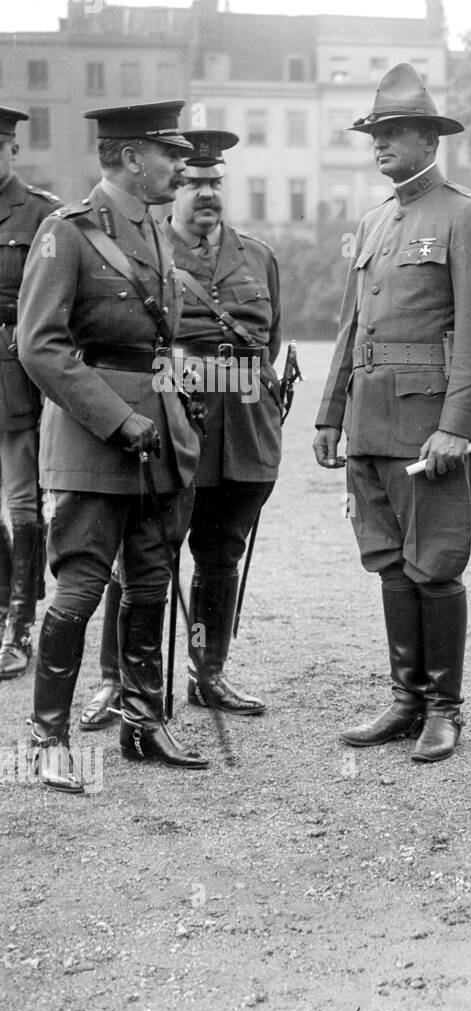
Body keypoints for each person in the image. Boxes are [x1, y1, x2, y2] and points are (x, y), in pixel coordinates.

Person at [313, 63, 471, 764]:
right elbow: (349, 327)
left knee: (435, 566)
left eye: (395, 131)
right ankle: (405, 700)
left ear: (430, 139)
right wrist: (329, 416)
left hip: (430, 428)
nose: (380, 143)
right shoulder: (371, 223)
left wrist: (458, 425)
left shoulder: (466, 215)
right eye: (375, 131)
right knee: (391, 564)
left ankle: (444, 708)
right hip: (369, 424)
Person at [18, 100, 207, 794]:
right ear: (132, 157)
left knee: (151, 579)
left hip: (158, 437)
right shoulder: (66, 231)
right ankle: (46, 742)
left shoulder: (156, 232)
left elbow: (160, 343)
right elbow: (40, 346)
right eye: (171, 154)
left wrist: (178, 411)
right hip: (95, 441)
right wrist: (114, 418)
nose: (183, 167)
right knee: (81, 587)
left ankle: (142, 721)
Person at [165, 129, 282, 713]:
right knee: (145, 557)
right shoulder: (148, 253)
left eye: (215, 182)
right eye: (193, 182)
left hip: (243, 437)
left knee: (219, 558)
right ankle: (119, 682)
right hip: (174, 430)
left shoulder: (257, 256)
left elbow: (268, 347)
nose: (206, 193)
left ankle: (206, 674)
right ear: (172, 188)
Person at [0, 106, 60, 680]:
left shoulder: (43, 215)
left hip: (15, 376)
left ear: (13, 149)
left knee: (22, 503)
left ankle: (20, 626)